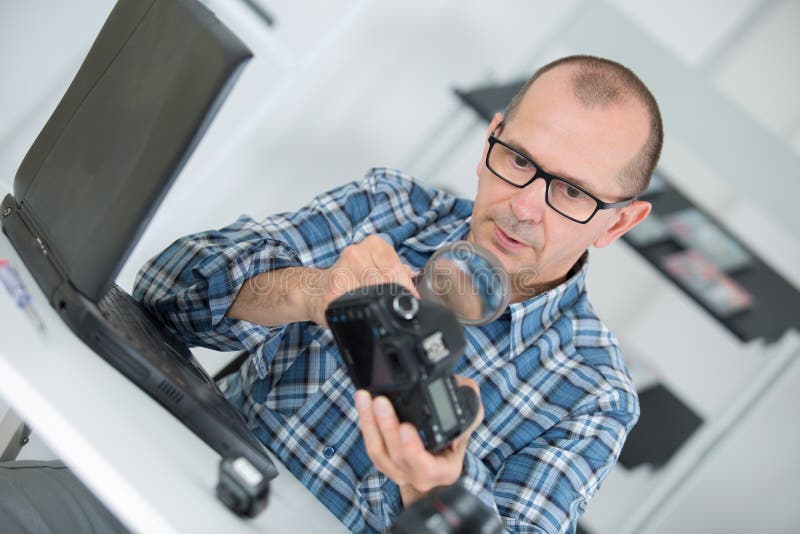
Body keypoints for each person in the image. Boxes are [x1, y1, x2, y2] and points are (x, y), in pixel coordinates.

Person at [132, 54, 661, 533]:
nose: (524, 207)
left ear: (618, 224)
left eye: (571, 192)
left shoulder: (595, 396)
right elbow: (161, 287)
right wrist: (313, 292)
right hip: (176, 480)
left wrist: (434, 486)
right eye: (520, 160)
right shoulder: (390, 209)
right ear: (489, 142)